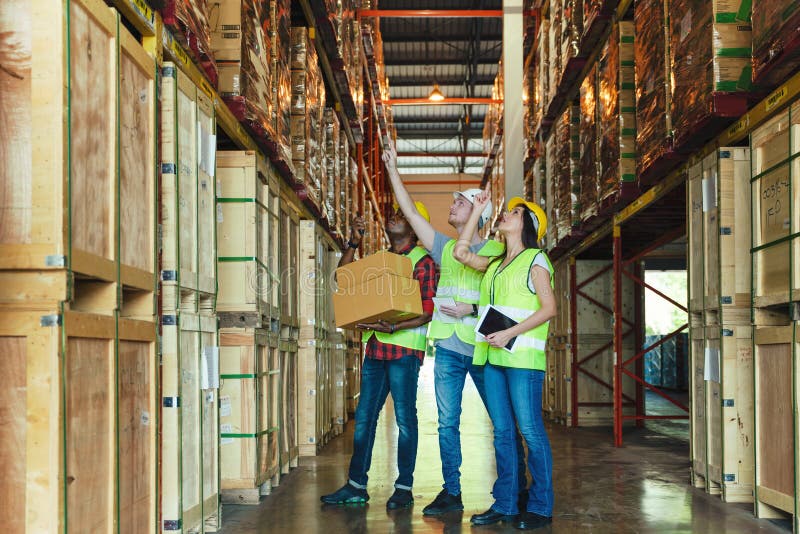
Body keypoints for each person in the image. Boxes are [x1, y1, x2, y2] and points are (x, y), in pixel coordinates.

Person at [381, 144, 527, 517]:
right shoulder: (443, 247)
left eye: (459, 203)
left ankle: (514, 489)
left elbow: (506, 297)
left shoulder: (496, 250)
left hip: (482, 348)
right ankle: (452, 491)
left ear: (477, 213)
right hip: (447, 348)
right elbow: (412, 213)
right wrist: (393, 170)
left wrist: (472, 308)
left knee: (501, 422)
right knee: (447, 424)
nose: (452, 206)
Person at [321, 202, 439, 510]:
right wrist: (353, 243)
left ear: (413, 227)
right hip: (375, 350)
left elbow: (427, 313)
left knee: (405, 420)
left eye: (401, 215)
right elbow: (343, 277)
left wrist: (393, 326)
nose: (392, 216)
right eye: (393, 212)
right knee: (364, 420)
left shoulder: (423, 262)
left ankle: (404, 487)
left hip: (403, 353)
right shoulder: (381, 259)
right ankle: (356, 486)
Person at [452, 190, 556, 530]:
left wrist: (511, 333)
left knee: (529, 431)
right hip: (493, 358)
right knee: (503, 434)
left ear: (527, 222)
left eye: (513, 212)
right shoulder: (495, 264)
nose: (505, 214)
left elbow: (549, 308)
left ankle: (540, 506)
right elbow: (460, 252)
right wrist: (477, 211)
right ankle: (507, 503)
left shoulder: (536, 260)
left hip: (523, 362)